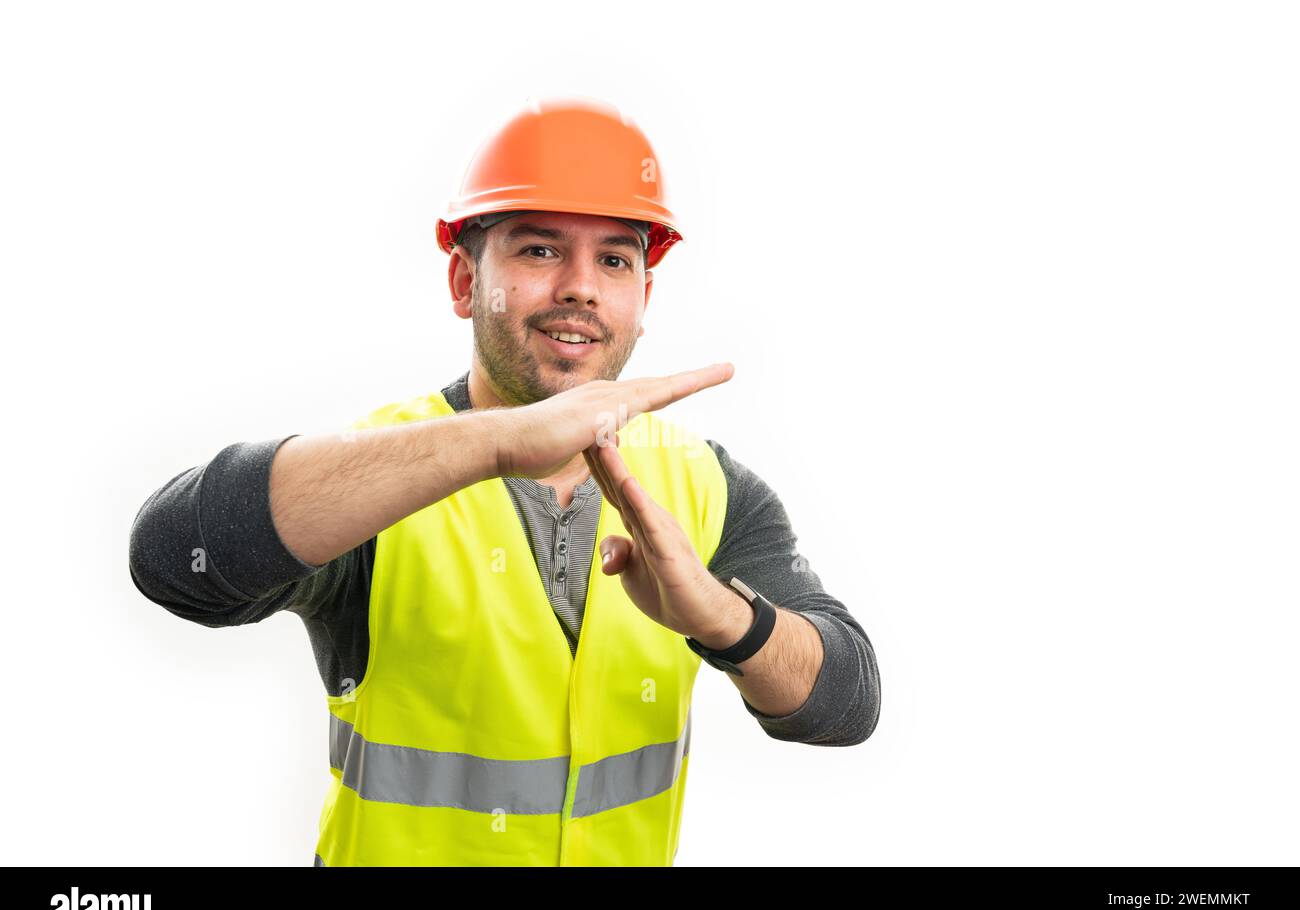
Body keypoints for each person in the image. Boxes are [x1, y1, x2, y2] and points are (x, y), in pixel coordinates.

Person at [129, 97, 881, 866]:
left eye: (615, 259)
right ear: (464, 282)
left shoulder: (708, 486)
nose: (582, 288)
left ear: (643, 300)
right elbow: (170, 558)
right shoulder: (373, 475)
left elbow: (846, 702)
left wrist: (726, 620)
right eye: (539, 251)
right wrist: (498, 443)